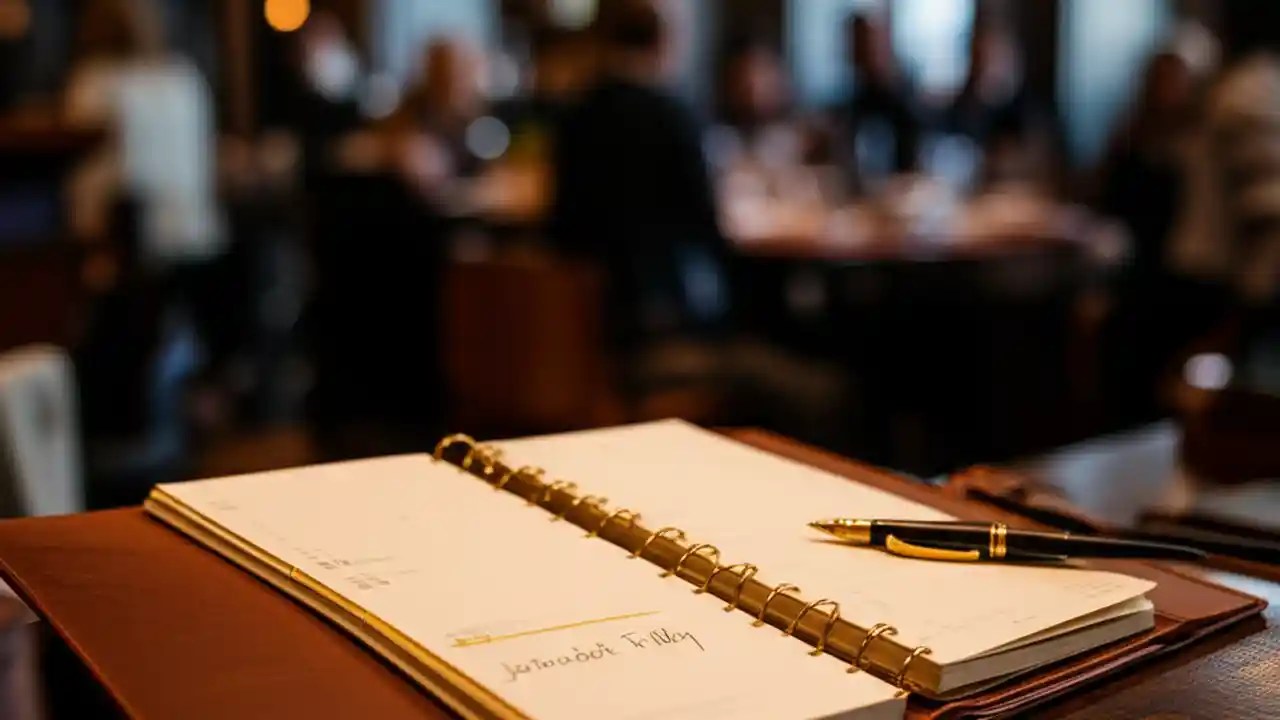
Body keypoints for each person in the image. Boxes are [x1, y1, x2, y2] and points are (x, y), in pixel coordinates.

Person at [551, 0, 847, 446]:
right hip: (657, 344)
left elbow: (561, 229)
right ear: (665, 42)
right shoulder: (669, 115)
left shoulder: (574, 116)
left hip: (586, 341)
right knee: (820, 391)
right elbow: (709, 228)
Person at [945, 23, 1051, 186]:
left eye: (993, 58)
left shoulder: (1027, 108)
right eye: (979, 59)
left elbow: (1037, 160)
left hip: (1012, 190)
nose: (985, 66)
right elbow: (945, 147)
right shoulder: (963, 102)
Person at [838, 12, 921, 188]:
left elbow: (914, 157)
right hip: (863, 190)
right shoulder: (855, 93)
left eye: (862, 42)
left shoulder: (902, 95)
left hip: (899, 189)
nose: (853, 50)